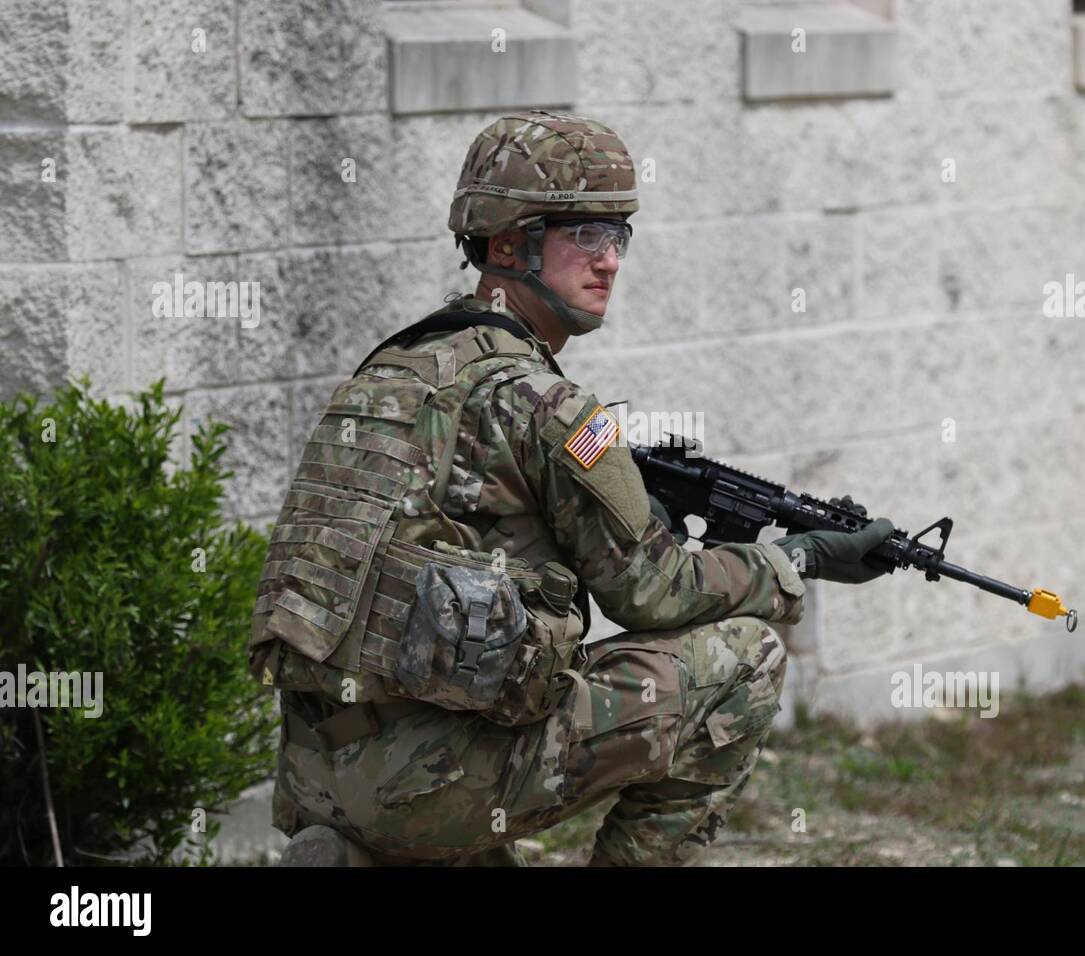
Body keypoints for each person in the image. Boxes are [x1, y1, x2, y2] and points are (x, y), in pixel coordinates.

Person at [251, 110, 894, 867]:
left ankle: (364, 854)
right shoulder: (546, 404)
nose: (610, 261)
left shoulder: (388, 374)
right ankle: (414, 835)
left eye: (619, 235)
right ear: (506, 244)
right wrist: (799, 560)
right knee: (745, 656)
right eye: (584, 235)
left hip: (315, 772)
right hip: (429, 782)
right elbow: (653, 593)